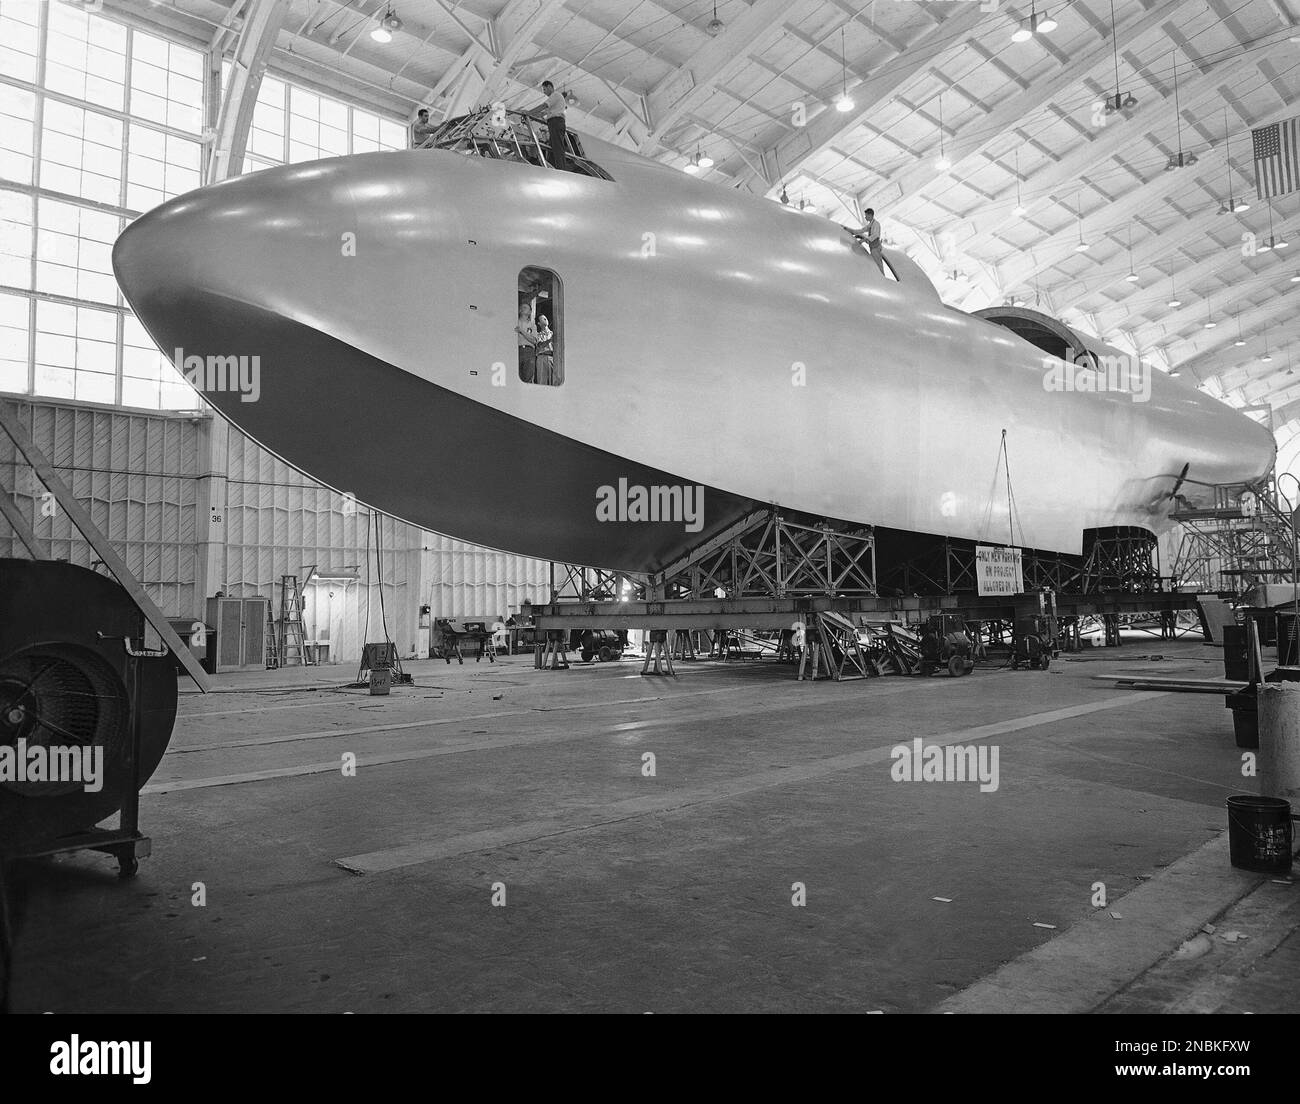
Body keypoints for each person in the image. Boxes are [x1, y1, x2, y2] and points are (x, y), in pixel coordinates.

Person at [534, 81, 568, 171]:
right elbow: (543, 112)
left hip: (556, 122)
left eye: (544, 89)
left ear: (549, 86)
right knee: (553, 146)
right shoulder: (556, 100)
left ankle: (561, 169)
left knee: (557, 147)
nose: (544, 92)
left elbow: (543, 106)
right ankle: (552, 168)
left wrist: (529, 112)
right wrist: (532, 115)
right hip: (554, 123)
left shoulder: (555, 95)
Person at [516, 301, 538, 383]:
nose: (522, 308)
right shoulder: (515, 322)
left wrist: (522, 331)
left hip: (529, 351)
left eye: (525, 307)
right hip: (517, 350)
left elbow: (534, 340)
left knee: (528, 377)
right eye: (521, 307)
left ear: (530, 312)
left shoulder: (532, 325)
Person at [535, 314, 554, 386]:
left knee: (553, 381)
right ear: (539, 323)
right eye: (543, 318)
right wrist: (550, 340)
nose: (546, 319)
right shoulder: (537, 335)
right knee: (542, 382)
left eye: (546, 318)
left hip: (552, 358)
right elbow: (540, 345)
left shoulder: (553, 333)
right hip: (541, 358)